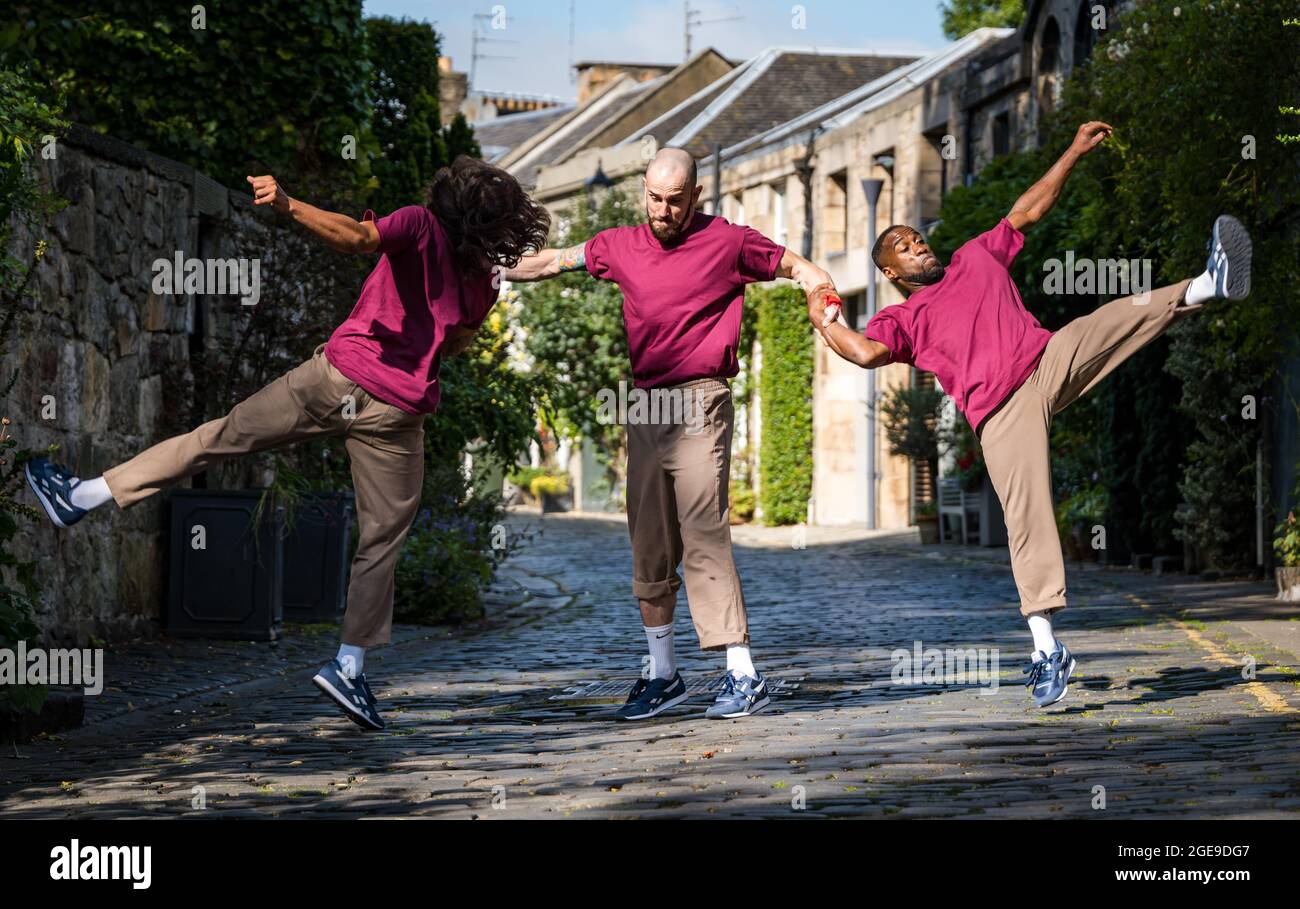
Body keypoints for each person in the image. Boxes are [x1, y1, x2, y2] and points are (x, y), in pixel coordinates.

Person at [25, 156, 551, 731]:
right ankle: (349, 667)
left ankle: (83, 497)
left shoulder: (419, 225)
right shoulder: (482, 278)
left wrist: (286, 203)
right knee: (382, 538)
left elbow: (356, 237)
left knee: (216, 438)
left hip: (336, 381)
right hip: (397, 415)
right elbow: (452, 347)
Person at [806, 121, 1252, 707]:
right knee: (1029, 519)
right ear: (892, 273)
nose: (920, 245)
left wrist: (1071, 152)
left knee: (1113, 316)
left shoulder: (974, 257)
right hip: (1001, 413)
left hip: (1046, 362)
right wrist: (827, 319)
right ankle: (1046, 648)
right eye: (906, 247)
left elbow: (1027, 210)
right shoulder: (901, 321)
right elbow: (863, 352)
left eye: (918, 237)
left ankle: (1205, 283)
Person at [506, 147, 840, 720]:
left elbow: (802, 268)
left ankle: (742, 672)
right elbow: (551, 261)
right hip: (643, 407)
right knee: (649, 541)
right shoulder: (617, 245)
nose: (663, 211)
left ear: (697, 197)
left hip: (700, 400)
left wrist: (823, 296)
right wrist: (482, 265)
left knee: (703, 528)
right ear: (644, 190)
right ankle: (663, 674)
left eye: (675, 201)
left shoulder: (730, 243)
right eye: (655, 198)